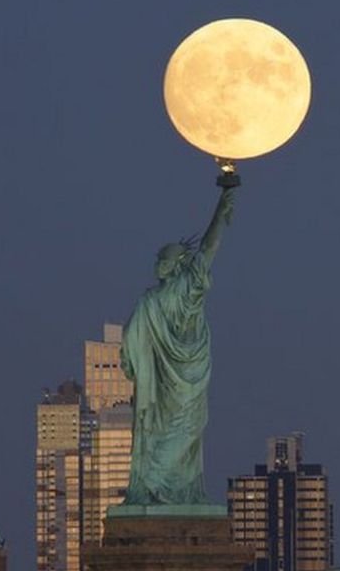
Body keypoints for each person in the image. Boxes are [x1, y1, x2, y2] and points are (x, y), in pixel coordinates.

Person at [119, 187, 236, 505]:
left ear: (174, 265)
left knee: (178, 437)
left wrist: (219, 214)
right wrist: (221, 211)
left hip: (180, 383)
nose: (158, 263)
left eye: (163, 259)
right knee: (173, 435)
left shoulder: (176, 293)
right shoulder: (157, 300)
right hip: (181, 381)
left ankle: (166, 491)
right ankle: (162, 492)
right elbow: (130, 346)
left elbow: (208, 251)